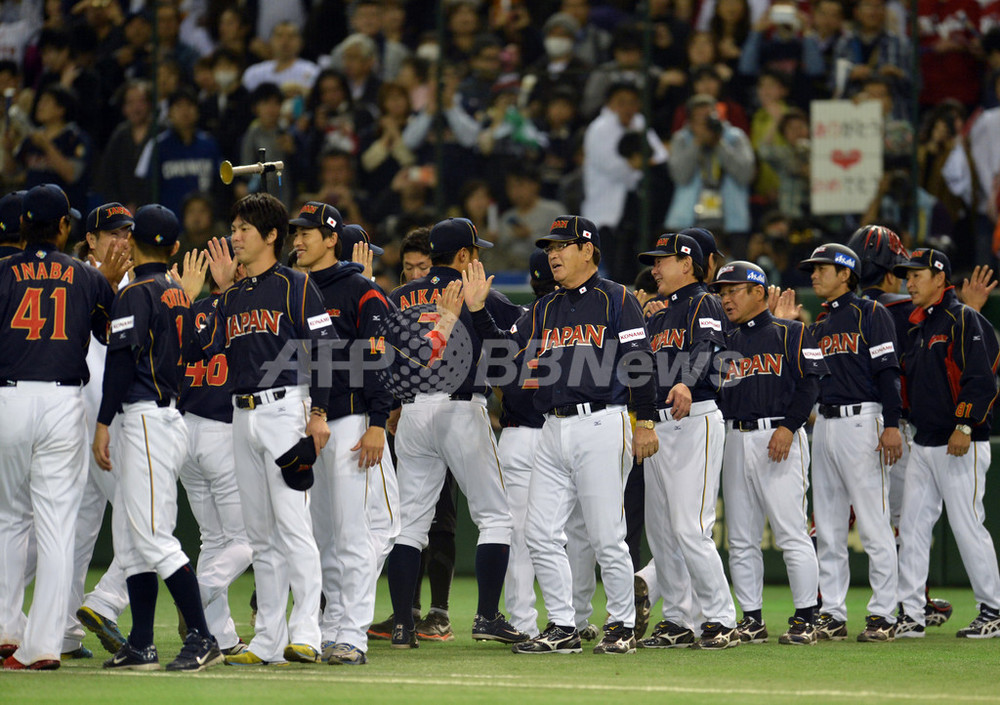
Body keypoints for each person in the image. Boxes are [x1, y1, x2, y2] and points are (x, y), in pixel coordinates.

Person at [457, 216, 660, 655]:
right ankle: (564, 625)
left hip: (601, 421)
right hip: (551, 426)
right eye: (549, 247)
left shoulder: (617, 298)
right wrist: (476, 311)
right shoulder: (544, 308)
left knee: (606, 534)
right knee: (540, 532)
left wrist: (645, 421)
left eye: (562, 245)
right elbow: (504, 356)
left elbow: (641, 360)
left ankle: (622, 624)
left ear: (588, 250)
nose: (552, 254)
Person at [199, 192, 336, 666]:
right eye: (234, 228)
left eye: (244, 229)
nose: (234, 236)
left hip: (285, 409)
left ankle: (308, 633)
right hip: (242, 414)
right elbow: (204, 349)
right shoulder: (233, 296)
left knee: (294, 526)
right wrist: (215, 294)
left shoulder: (296, 285)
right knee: (260, 535)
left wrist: (319, 413)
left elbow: (325, 350)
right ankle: (268, 640)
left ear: (271, 235)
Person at [91, 204, 222, 672]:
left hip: (146, 418)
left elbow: (121, 363)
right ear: (175, 247)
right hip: (167, 417)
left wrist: (102, 421)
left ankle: (203, 637)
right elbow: (197, 349)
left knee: (151, 536)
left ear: (131, 242)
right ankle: (142, 642)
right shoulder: (178, 294)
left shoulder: (135, 293)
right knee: (132, 540)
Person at [383, 217, 525, 649]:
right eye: (475, 251)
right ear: (463, 255)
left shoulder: (400, 296)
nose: (477, 258)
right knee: (495, 517)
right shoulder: (480, 293)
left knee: (409, 526)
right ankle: (487, 617)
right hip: (461, 408)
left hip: (412, 413)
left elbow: (383, 360)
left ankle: (403, 625)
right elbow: (515, 350)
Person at [0, 184, 115, 670]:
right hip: (64, 403)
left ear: (23, 225)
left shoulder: (3, 271)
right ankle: (44, 645)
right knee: (56, 527)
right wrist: (109, 284)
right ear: (64, 226)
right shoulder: (86, 276)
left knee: (9, 519)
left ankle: (5, 628)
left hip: (9, 398)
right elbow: (111, 335)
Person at [288, 202, 396, 666]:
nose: (298, 240)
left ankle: (353, 633)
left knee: (353, 535)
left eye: (307, 233)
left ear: (332, 238)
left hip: (350, 420)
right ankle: (331, 628)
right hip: (305, 423)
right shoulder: (292, 287)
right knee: (321, 538)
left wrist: (377, 422)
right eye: (295, 233)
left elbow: (378, 360)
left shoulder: (360, 290)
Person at [846, 224, 955, 628]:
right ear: (894, 270)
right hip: (896, 424)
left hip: (847, 422)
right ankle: (913, 602)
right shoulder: (907, 309)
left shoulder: (841, 312)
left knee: (839, 516)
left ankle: (821, 605)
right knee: (906, 521)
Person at [713, 261, 827, 646]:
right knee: (740, 538)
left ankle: (806, 617)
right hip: (734, 436)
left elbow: (811, 385)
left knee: (791, 531)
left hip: (778, 434)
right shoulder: (725, 339)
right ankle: (752, 618)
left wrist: (789, 426)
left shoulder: (791, 331)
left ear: (758, 292)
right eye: (722, 292)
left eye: (734, 290)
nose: (726, 299)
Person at [636, 233, 738, 650]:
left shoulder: (703, 301)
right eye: (654, 261)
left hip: (695, 419)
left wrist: (686, 381)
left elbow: (708, 346)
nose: (655, 268)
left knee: (690, 527)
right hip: (659, 426)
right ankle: (679, 619)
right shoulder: (660, 316)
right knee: (662, 532)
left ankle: (721, 618)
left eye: (663, 260)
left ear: (687, 264)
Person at [892, 249, 1000, 639]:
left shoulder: (963, 318)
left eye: (917, 275)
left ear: (940, 278)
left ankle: (993, 609)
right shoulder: (919, 326)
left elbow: (983, 378)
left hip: (960, 442)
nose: (909, 283)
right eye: (907, 276)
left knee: (968, 525)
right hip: (924, 442)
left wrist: (965, 425)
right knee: (912, 529)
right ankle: (911, 613)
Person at [796, 243, 902, 642]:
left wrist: (892, 423)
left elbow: (889, 372)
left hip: (863, 421)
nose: (814, 275)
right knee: (828, 528)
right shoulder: (821, 324)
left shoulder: (871, 313)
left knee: (874, 524)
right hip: (825, 424)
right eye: (813, 268)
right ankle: (833, 613)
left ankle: (883, 614)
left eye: (822, 268)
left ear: (846, 274)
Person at [173, 245, 253, 658]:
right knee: (250, 537)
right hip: (222, 431)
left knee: (214, 539)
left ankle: (219, 637)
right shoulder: (243, 313)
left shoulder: (192, 310)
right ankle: (196, 593)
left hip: (184, 430)